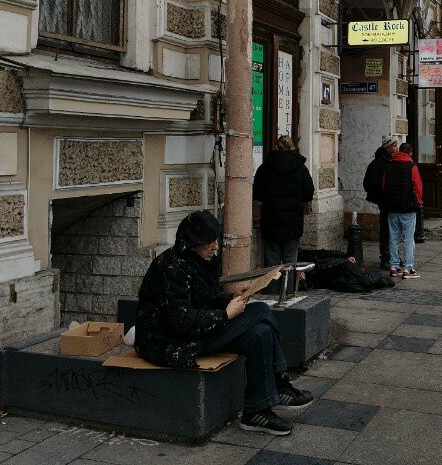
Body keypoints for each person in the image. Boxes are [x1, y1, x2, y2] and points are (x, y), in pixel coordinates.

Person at [135, 210, 312, 436]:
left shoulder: (200, 260)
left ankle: (256, 411)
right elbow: (181, 322)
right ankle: (280, 382)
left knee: (260, 333)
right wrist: (226, 315)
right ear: (192, 243)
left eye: (215, 241)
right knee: (261, 310)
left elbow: (204, 299)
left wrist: (231, 297)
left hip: (194, 332)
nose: (215, 247)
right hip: (171, 342)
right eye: (210, 242)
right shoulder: (171, 267)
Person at [253, 135, 316, 290]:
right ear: (292, 147)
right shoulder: (301, 168)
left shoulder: (265, 167)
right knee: (290, 260)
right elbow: (309, 193)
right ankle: (289, 292)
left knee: (271, 261)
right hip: (293, 220)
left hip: (271, 220)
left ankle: (272, 292)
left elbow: (257, 193)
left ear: (276, 147)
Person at [383, 140, 423, 278]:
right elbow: (417, 187)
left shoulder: (389, 165)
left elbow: (384, 185)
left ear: (400, 151)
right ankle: (408, 268)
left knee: (393, 238)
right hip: (407, 207)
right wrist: (418, 202)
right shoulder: (411, 166)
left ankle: (394, 266)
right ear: (410, 153)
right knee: (408, 238)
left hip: (392, 207)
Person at [363, 138, 397, 269]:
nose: (397, 148)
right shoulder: (381, 163)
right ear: (388, 149)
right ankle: (386, 257)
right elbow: (370, 183)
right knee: (387, 229)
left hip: (388, 200)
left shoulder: (387, 161)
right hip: (386, 200)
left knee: (392, 229)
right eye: (394, 146)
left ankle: (392, 256)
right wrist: (382, 196)